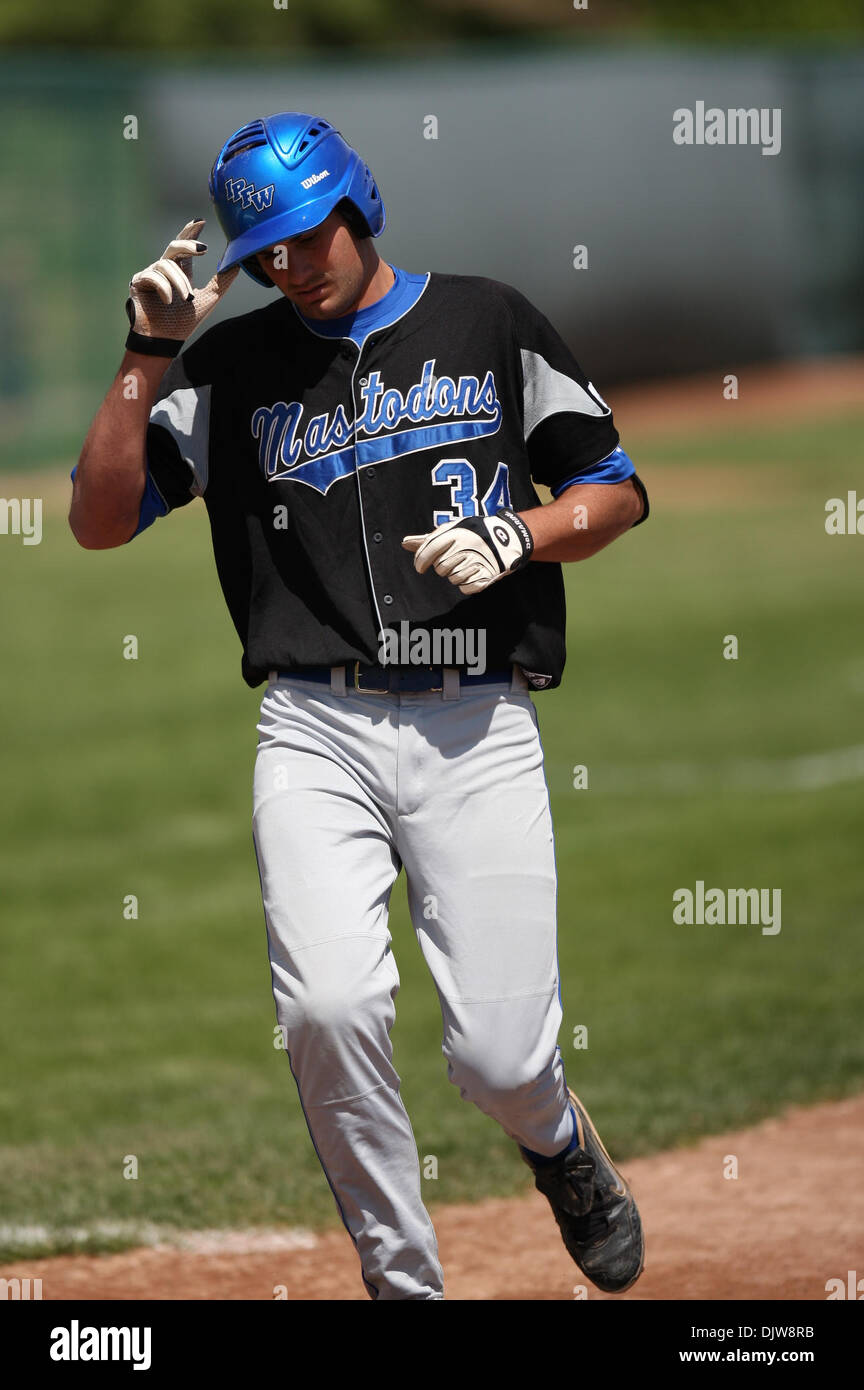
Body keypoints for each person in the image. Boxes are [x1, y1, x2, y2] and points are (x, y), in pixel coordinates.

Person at [70, 111, 650, 1301]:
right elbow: (97, 516)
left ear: (357, 203)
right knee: (328, 1009)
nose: (293, 265)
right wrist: (145, 353)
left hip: (475, 720)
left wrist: (522, 532)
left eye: (305, 234)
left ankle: (557, 1141)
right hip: (313, 725)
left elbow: (616, 488)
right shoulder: (228, 372)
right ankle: (405, 1284)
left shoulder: (488, 320)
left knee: (498, 1059)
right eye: (268, 252)